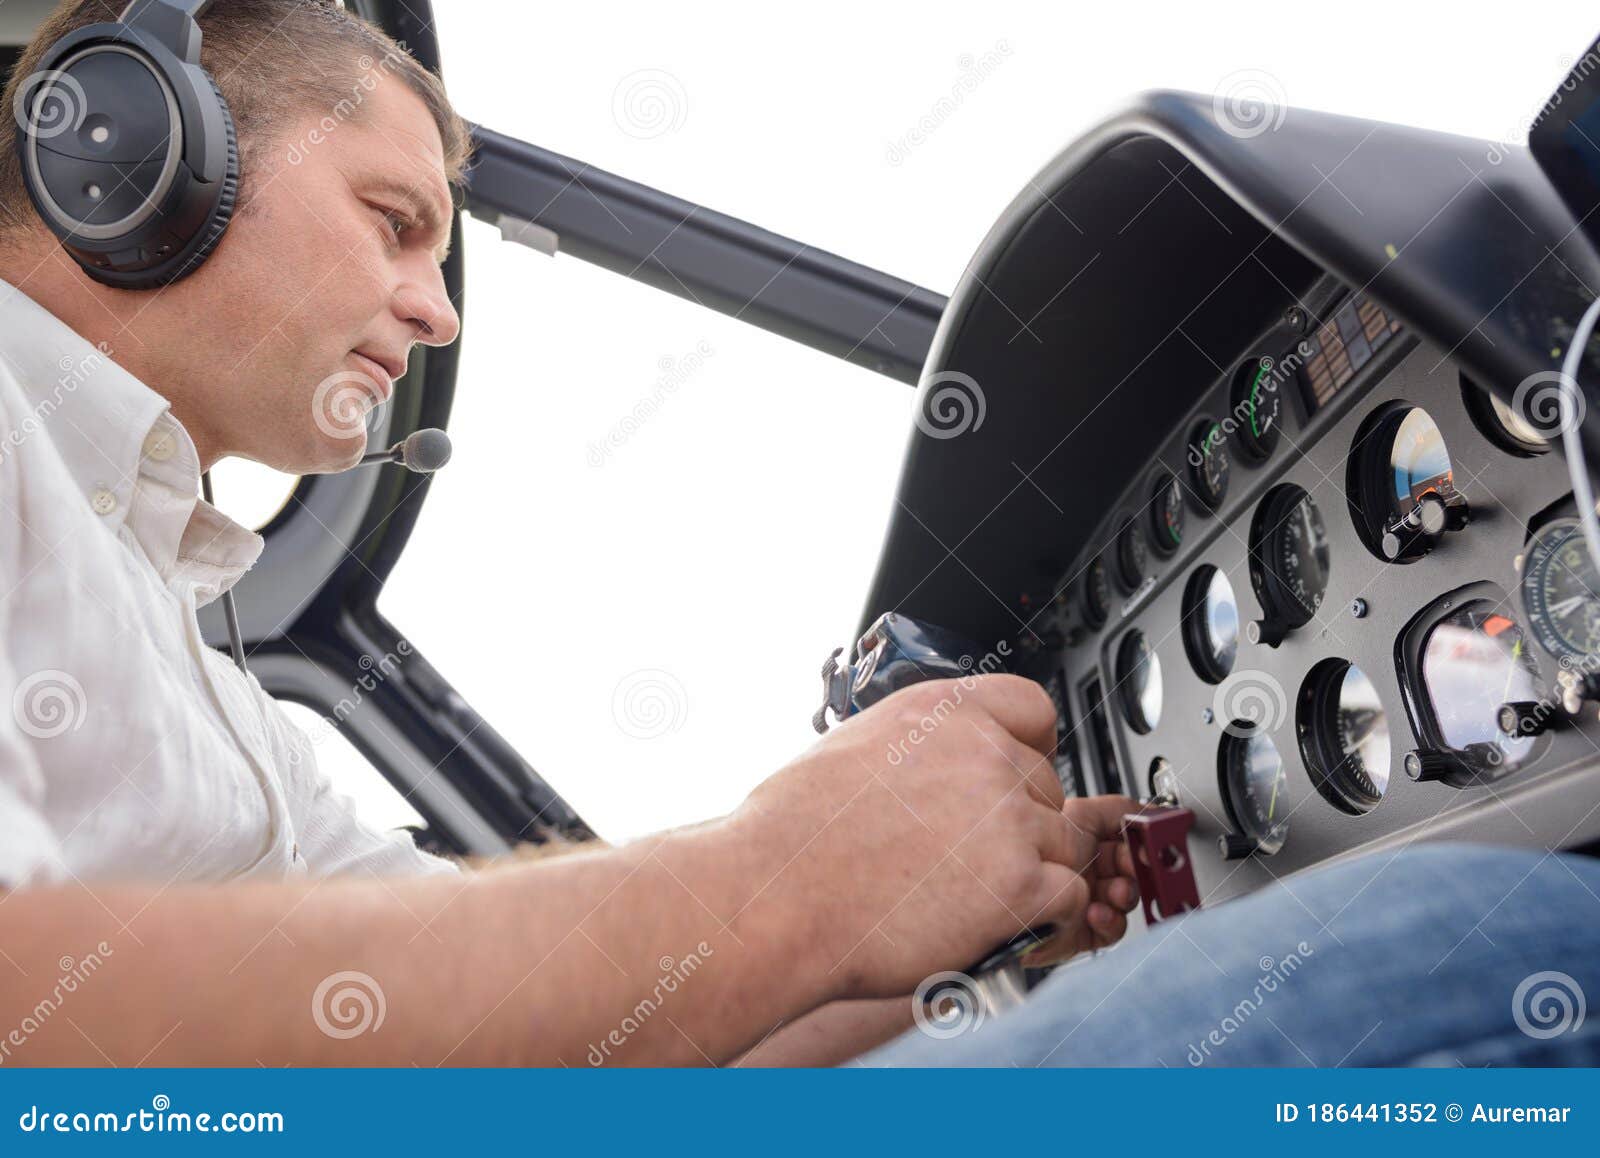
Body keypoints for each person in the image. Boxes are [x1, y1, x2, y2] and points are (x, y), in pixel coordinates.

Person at [0, 1, 1594, 1070]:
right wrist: (778, 877)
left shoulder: (200, 671)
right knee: (1508, 949)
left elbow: (545, 1029)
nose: (434, 307)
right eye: (394, 221)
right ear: (131, 157)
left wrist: (922, 925)